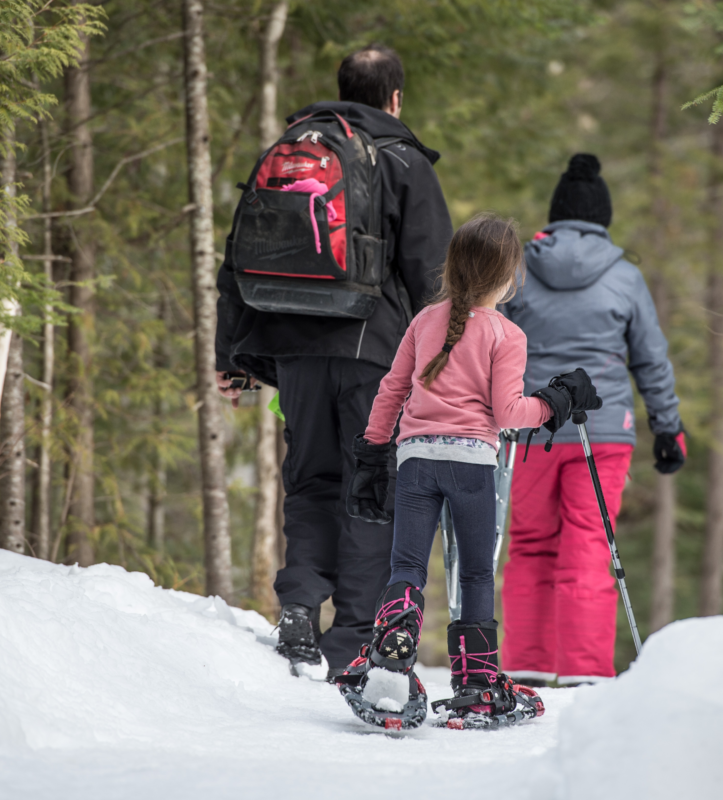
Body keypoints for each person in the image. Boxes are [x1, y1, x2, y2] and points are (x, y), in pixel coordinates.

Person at [214, 45, 453, 678]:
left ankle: (298, 606)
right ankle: (352, 640)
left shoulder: (292, 151)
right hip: (373, 355)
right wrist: (445, 365)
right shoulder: (401, 158)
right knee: (370, 489)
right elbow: (433, 277)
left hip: (292, 350)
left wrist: (230, 355)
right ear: (396, 98)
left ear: (342, 88)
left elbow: (235, 261)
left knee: (311, 478)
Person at [337, 214, 602, 728]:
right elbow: (508, 416)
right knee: (476, 572)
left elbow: (392, 390)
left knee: (408, 568)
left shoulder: (424, 320)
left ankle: (391, 661)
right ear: (508, 278)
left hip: (415, 460)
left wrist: (372, 453)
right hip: (473, 466)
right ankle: (478, 684)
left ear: (453, 268)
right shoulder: (507, 334)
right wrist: (554, 403)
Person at [499, 153, 686, 687]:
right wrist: (668, 428)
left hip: (531, 427)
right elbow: (650, 357)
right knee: (587, 542)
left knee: (530, 542)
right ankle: (585, 671)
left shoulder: (518, 270)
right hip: (602, 432)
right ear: (602, 218)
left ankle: (526, 663)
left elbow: (491, 343)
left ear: (554, 217)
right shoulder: (625, 277)